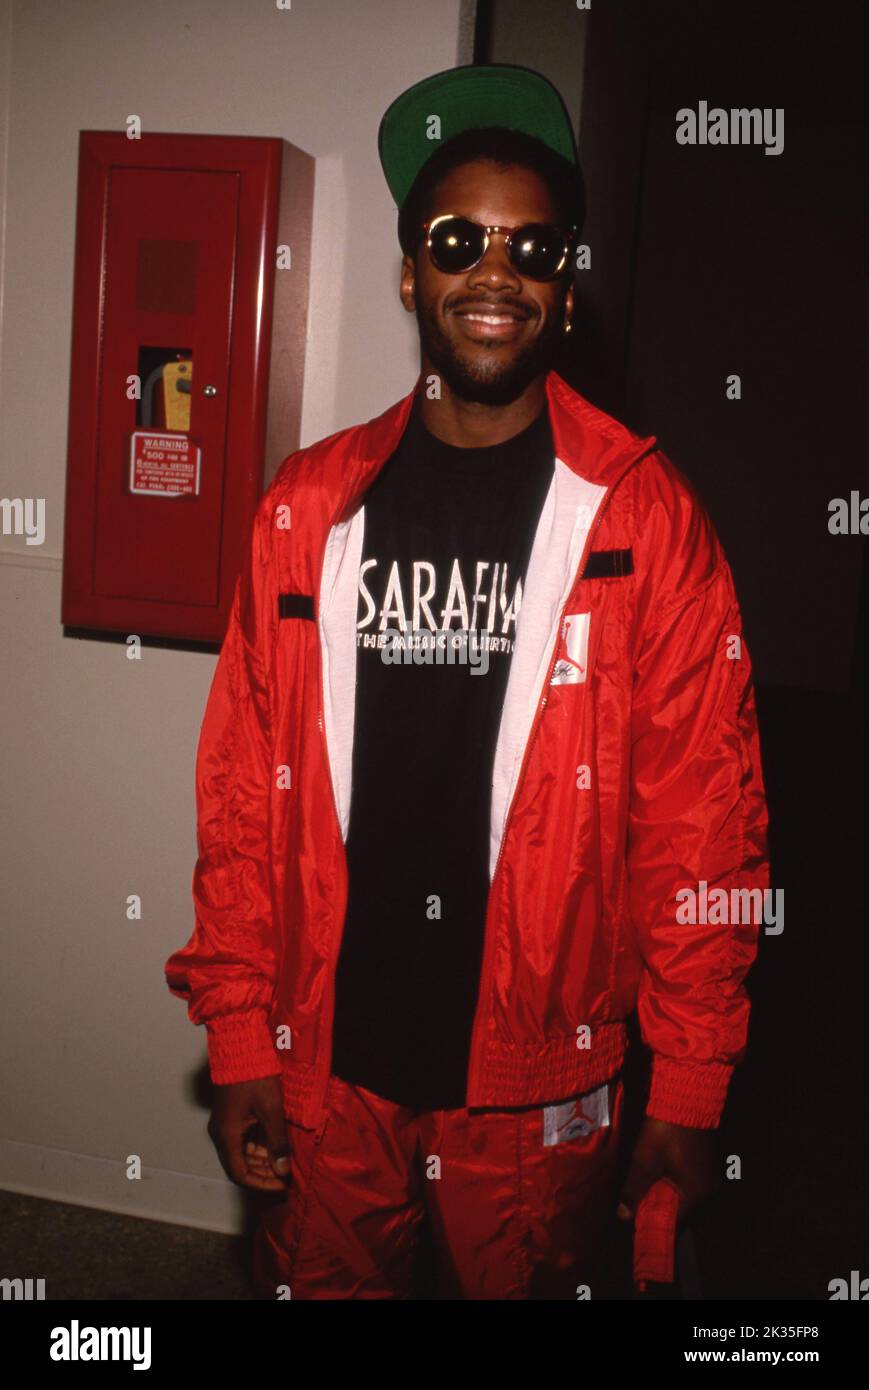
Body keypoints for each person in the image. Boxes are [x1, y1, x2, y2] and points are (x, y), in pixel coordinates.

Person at [164, 63, 769, 1300]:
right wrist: (240, 1033)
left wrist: (692, 1080)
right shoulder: (304, 511)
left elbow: (700, 827)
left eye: (531, 247)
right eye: (457, 239)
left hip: (539, 1080)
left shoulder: (642, 521)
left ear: (562, 281)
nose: (493, 272)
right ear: (409, 271)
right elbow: (240, 797)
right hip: (335, 1064)